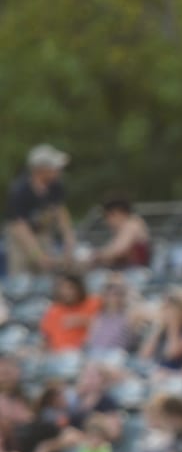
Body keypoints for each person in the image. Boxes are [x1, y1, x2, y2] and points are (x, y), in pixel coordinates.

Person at [6, 144, 75, 276]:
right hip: (21, 241)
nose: (58, 170)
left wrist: (69, 243)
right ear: (40, 169)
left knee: (49, 275)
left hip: (43, 233)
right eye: (54, 167)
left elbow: (61, 213)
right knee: (22, 278)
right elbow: (19, 227)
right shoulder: (20, 190)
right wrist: (37, 255)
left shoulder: (56, 186)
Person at [138, 290, 182, 372]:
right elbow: (144, 356)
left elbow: (172, 354)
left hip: (175, 373)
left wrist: (174, 325)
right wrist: (158, 329)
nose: (166, 312)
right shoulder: (162, 330)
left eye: (169, 308)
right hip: (155, 371)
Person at [39, 272, 100, 351]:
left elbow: (110, 327)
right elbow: (45, 338)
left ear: (79, 288)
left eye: (70, 288)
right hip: (58, 356)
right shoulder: (53, 310)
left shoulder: (93, 303)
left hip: (85, 353)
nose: (66, 292)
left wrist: (83, 321)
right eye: (62, 288)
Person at [91, 199, 151, 270]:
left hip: (135, 271)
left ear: (117, 213)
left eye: (107, 216)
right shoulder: (124, 227)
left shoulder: (132, 224)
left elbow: (119, 251)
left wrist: (97, 255)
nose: (106, 221)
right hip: (127, 269)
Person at [84, 275, 135, 354]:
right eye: (110, 293)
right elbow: (90, 340)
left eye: (118, 294)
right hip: (95, 353)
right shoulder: (98, 315)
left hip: (115, 355)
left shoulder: (129, 315)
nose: (113, 297)